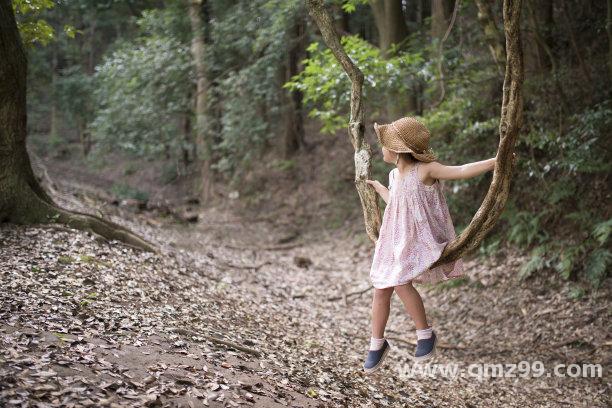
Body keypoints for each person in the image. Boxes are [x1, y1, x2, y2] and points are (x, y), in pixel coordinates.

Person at [362, 116, 498, 373]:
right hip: (395, 239)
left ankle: (425, 334)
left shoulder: (426, 170)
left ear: (397, 149)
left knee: (401, 281)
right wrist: (381, 190)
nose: (382, 149)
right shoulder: (393, 175)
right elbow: (399, 203)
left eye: (385, 144)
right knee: (381, 288)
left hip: (419, 237)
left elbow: (460, 170)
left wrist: (495, 161)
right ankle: (376, 344)